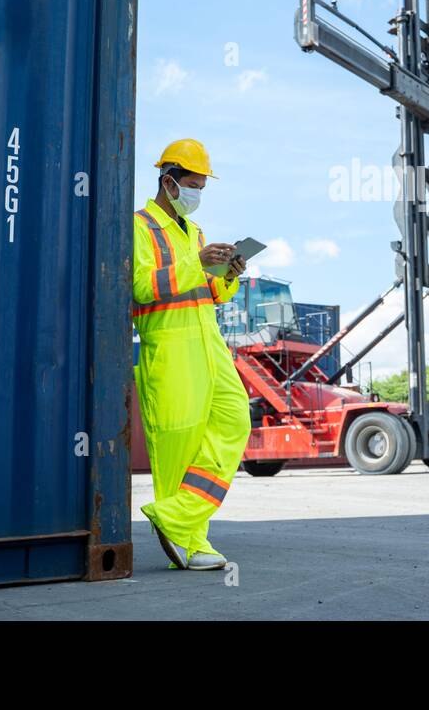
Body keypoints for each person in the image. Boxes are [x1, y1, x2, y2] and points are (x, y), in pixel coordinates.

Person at [132, 138, 249, 570]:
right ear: (169, 182)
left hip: (209, 342)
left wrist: (228, 275)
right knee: (178, 445)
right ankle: (194, 543)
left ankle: (174, 516)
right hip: (170, 345)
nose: (198, 194)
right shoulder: (139, 226)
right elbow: (140, 286)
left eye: (203, 186)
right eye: (194, 185)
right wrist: (196, 264)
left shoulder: (194, 233)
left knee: (236, 419)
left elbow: (211, 293)